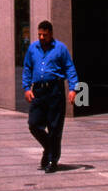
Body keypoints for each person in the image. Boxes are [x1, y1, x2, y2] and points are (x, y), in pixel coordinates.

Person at [22, 19, 78, 173]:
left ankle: (53, 159)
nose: (41, 38)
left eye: (44, 35)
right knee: (34, 124)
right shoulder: (33, 48)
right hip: (38, 91)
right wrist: (27, 88)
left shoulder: (60, 48)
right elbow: (27, 68)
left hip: (55, 91)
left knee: (54, 127)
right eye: (39, 34)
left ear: (51, 34)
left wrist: (73, 89)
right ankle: (48, 146)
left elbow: (70, 69)